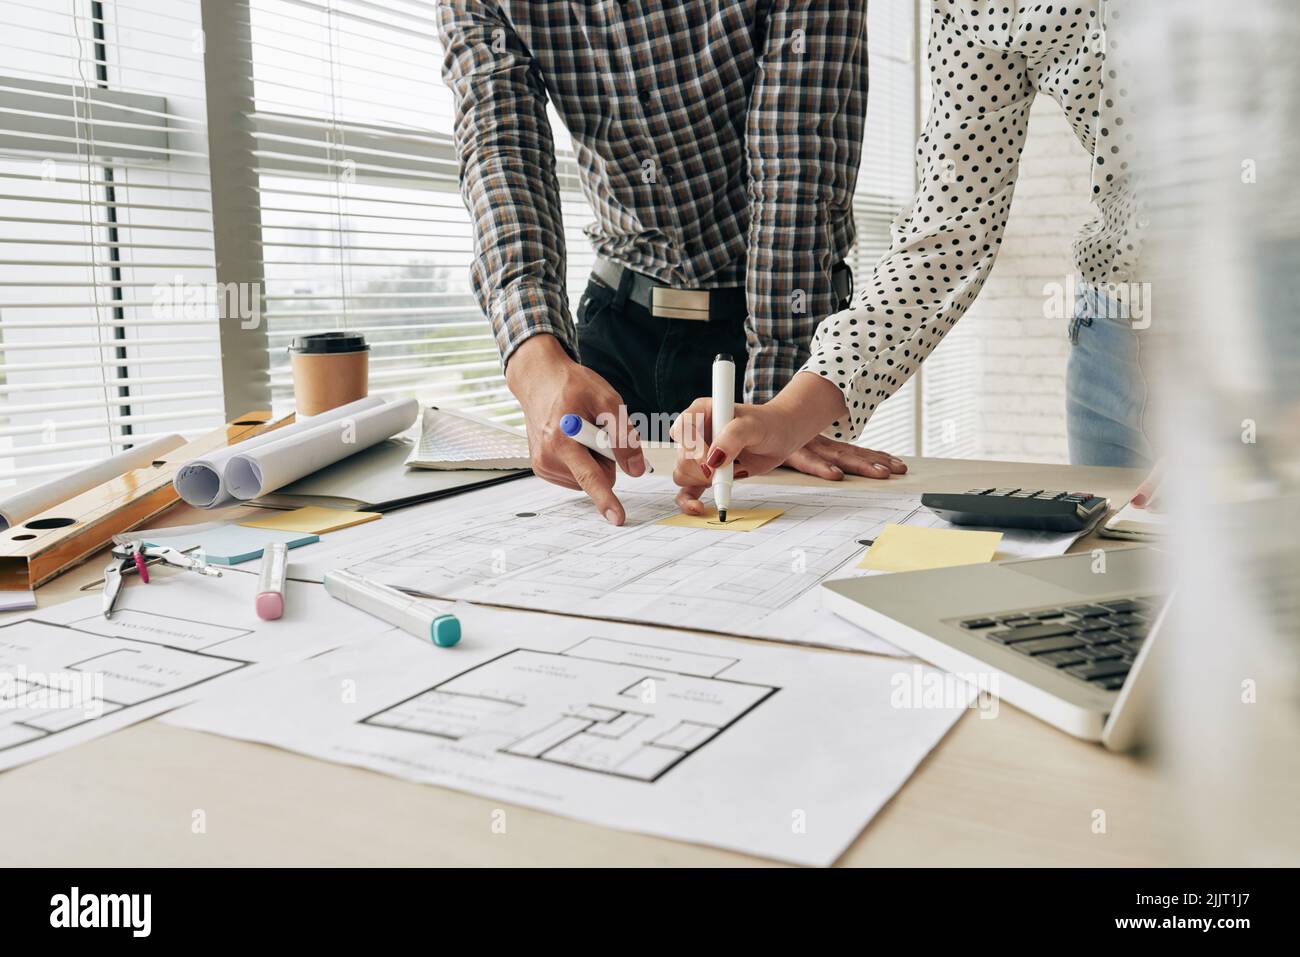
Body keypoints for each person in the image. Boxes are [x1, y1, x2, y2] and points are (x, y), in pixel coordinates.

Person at [672, 0, 1159, 514]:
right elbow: (947, 230)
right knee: (1117, 582)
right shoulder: (971, 10)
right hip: (1112, 335)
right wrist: (786, 416)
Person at [437, 1, 907, 526]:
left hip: (771, 322)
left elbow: (795, 162)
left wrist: (782, 408)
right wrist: (534, 364)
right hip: (615, 325)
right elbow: (499, 150)